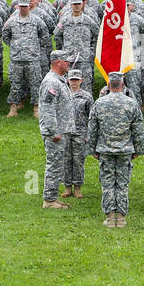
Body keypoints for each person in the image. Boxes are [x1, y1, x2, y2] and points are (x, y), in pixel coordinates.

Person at [86, 71, 144, 228]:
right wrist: (138, 149)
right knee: (122, 184)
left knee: (107, 183)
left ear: (108, 85)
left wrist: (92, 149)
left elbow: (92, 129)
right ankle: (121, 217)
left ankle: (110, 217)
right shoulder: (131, 103)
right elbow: (138, 129)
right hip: (125, 150)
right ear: (123, 84)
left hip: (105, 150)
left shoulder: (99, 103)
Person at [38, 50, 75, 209]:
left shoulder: (59, 80)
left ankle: (52, 197)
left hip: (61, 131)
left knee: (58, 165)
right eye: (67, 61)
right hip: (55, 133)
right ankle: (49, 200)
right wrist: (54, 132)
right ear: (58, 62)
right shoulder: (51, 82)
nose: (69, 64)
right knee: (54, 165)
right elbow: (47, 109)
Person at [64, 68, 93, 199]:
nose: (74, 82)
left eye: (76, 80)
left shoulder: (86, 96)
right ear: (68, 80)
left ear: (81, 80)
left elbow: (91, 117)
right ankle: (67, 187)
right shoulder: (62, 93)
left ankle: (77, 187)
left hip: (80, 132)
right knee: (65, 159)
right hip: (65, 131)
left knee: (78, 160)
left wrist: (89, 135)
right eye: (72, 80)